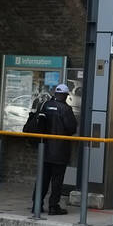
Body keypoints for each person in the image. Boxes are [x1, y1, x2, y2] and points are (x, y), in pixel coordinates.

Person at [35, 84, 78, 215]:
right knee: (57, 180)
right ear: (65, 95)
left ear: (55, 93)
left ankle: (37, 205)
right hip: (60, 150)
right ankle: (53, 206)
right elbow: (71, 128)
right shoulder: (66, 109)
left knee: (42, 178)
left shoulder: (45, 105)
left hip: (45, 148)